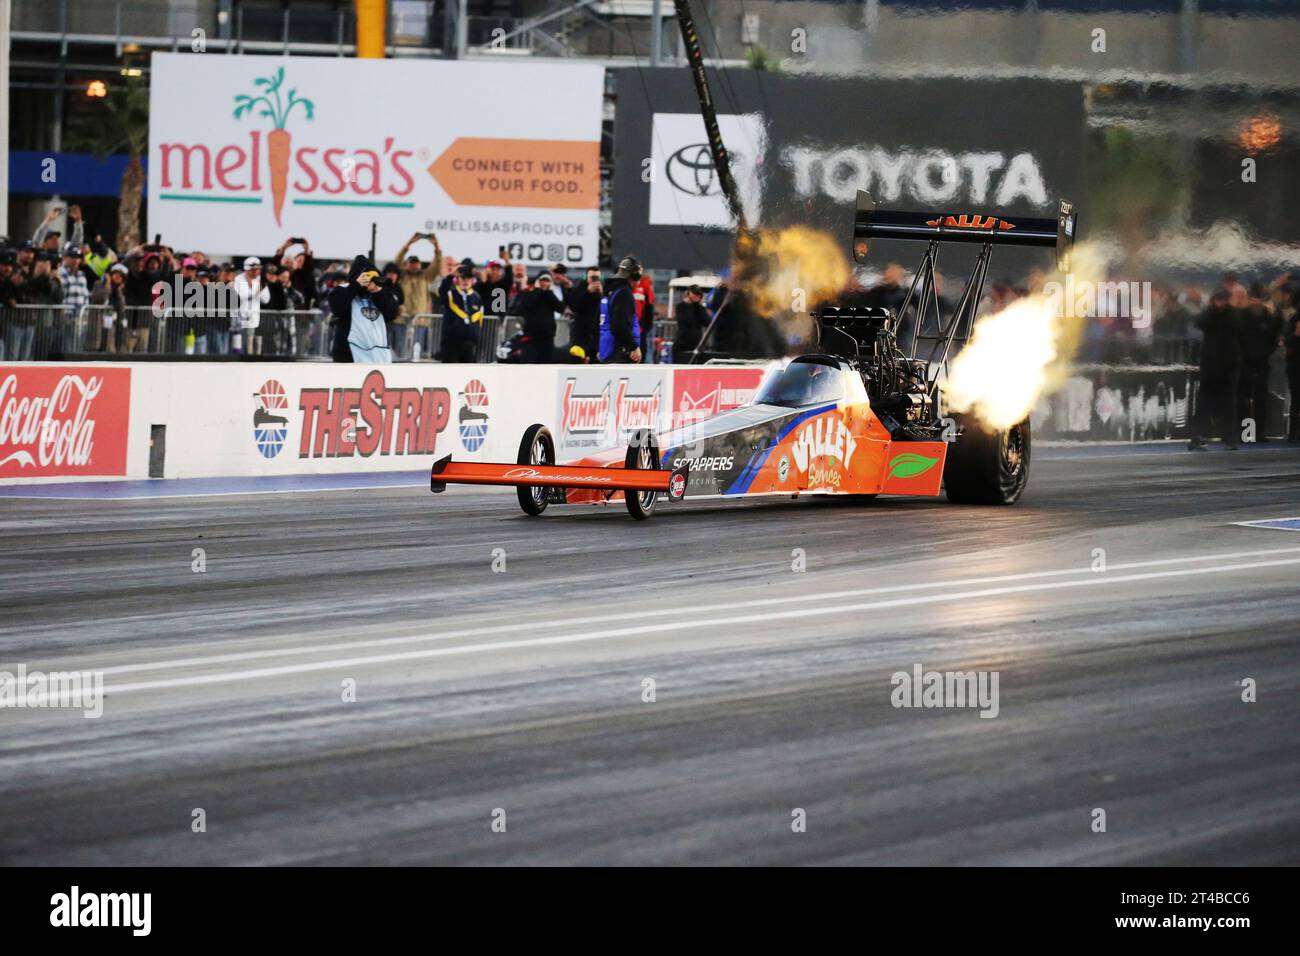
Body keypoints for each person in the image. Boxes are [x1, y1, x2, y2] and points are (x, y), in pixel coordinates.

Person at [1189, 289, 1241, 450]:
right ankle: (1199, 436)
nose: (1220, 303)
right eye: (1217, 300)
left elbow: (1237, 331)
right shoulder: (1210, 314)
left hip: (1227, 365)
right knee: (1205, 403)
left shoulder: (1233, 316)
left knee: (1227, 404)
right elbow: (1200, 322)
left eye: (1222, 300)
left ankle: (1229, 438)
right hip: (1211, 365)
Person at [328, 255, 398, 363]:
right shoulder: (343, 290)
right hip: (349, 354)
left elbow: (392, 314)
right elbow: (337, 308)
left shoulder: (380, 293)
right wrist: (356, 286)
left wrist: (378, 293)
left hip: (377, 354)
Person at [1237, 282, 1282, 441]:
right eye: (1253, 299)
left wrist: (1265, 354)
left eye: (1258, 299)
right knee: (1244, 398)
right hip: (1245, 362)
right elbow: (1237, 339)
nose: (1255, 302)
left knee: (1261, 399)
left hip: (1262, 362)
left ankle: (1259, 433)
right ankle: (1245, 433)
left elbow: (1274, 340)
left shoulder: (1269, 318)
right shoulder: (1241, 316)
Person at [598, 255, 642, 363]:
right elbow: (619, 326)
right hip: (619, 351)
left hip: (607, 348)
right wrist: (633, 346)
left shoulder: (609, 291)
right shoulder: (623, 293)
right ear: (635, 275)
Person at [513, 271, 562, 363]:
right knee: (528, 364)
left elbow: (560, 308)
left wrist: (548, 291)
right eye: (542, 280)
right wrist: (538, 289)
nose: (544, 283)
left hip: (547, 337)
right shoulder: (529, 293)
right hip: (531, 337)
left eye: (547, 280)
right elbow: (527, 303)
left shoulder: (550, 295)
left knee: (545, 365)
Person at [438, 265, 483, 363]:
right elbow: (442, 291)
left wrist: (476, 338)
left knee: (467, 372)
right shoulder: (451, 294)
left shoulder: (477, 297)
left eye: (468, 278)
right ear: (457, 280)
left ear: (472, 280)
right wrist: (450, 276)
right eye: (463, 278)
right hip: (451, 342)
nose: (465, 281)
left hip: (469, 343)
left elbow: (479, 320)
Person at [564, 267, 603, 362]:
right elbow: (574, 306)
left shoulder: (604, 290)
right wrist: (588, 292)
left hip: (598, 335)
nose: (595, 280)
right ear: (586, 277)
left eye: (597, 278)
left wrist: (601, 293)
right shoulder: (579, 289)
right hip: (581, 335)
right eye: (592, 277)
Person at [233, 256, 270, 355]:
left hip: (253, 319)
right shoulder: (237, 279)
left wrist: (259, 289)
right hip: (238, 319)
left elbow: (266, 300)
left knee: (250, 344)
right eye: (253, 269)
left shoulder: (260, 280)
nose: (256, 272)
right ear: (247, 269)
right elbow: (238, 298)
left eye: (258, 269)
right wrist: (253, 291)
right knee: (238, 344)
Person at [90, 263, 128, 353]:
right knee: (100, 343)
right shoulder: (99, 284)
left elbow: (122, 307)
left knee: (112, 345)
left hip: (115, 323)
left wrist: (119, 292)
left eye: (120, 276)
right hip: (99, 321)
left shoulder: (121, 289)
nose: (117, 277)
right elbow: (100, 298)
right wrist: (107, 285)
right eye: (116, 274)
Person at [672, 284, 710, 361]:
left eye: (698, 295)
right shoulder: (681, 306)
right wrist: (689, 305)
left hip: (696, 342)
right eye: (694, 294)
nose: (697, 296)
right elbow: (686, 320)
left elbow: (707, 322)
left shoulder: (700, 308)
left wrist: (698, 306)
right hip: (682, 342)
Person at [1285, 289, 1300, 444]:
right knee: (1296, 398)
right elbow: (1287, 342)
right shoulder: (1293, 319)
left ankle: (1294, 432)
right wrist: (1296, 334)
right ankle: (1293, 432)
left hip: (1294, 363)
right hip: (1295, 363)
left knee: (1296, 399)